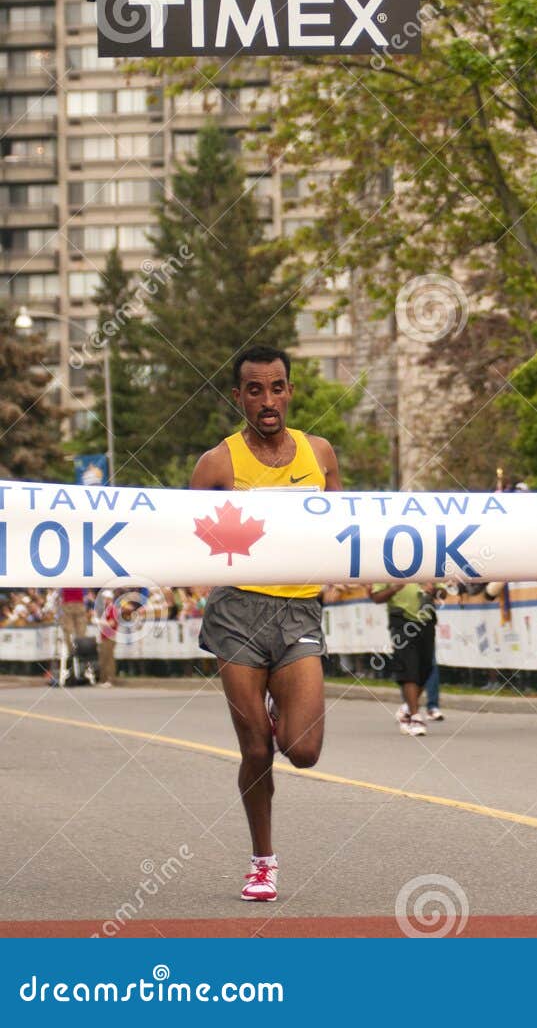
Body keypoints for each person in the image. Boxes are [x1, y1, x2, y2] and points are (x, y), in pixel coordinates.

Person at [191, 345, 341, 905]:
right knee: (256, 750)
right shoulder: (217, 464)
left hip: (299, 609)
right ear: (239, 397)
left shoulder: (319, 453)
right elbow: (183, 536)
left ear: (290, 392)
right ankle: (262, 861)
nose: (267, 400)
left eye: (277, 387)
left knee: (302, 751)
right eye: (255, 390)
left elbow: (342, 526)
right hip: (238, 612)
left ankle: (278, 704)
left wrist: (342, 574)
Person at [371, 580, 437, 736]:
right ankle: (415, 717)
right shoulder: (388, 570)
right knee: (409, 668)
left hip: (426, 621)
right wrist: (395, 588)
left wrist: (433, 591)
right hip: (401, 622)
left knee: (426, 669)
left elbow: (443, 592)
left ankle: (408, 708)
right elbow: (376, 597)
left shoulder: (428, 567)